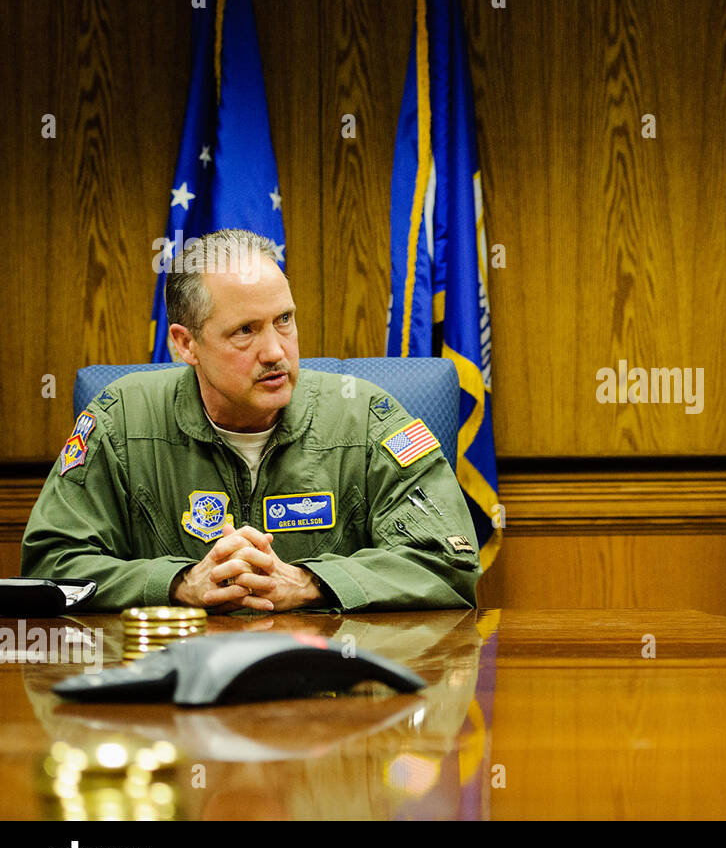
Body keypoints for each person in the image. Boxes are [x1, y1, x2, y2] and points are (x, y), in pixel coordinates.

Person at [22, 229, 481, 613]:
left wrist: (307, 582)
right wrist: (178, 583)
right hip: (171, 700)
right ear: (186, 345)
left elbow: (449, 563)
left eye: (284, 320)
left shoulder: (365, 417)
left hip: (330, 693)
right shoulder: (121, 419)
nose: (276, 351)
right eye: (245, 330)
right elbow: (50, 566)